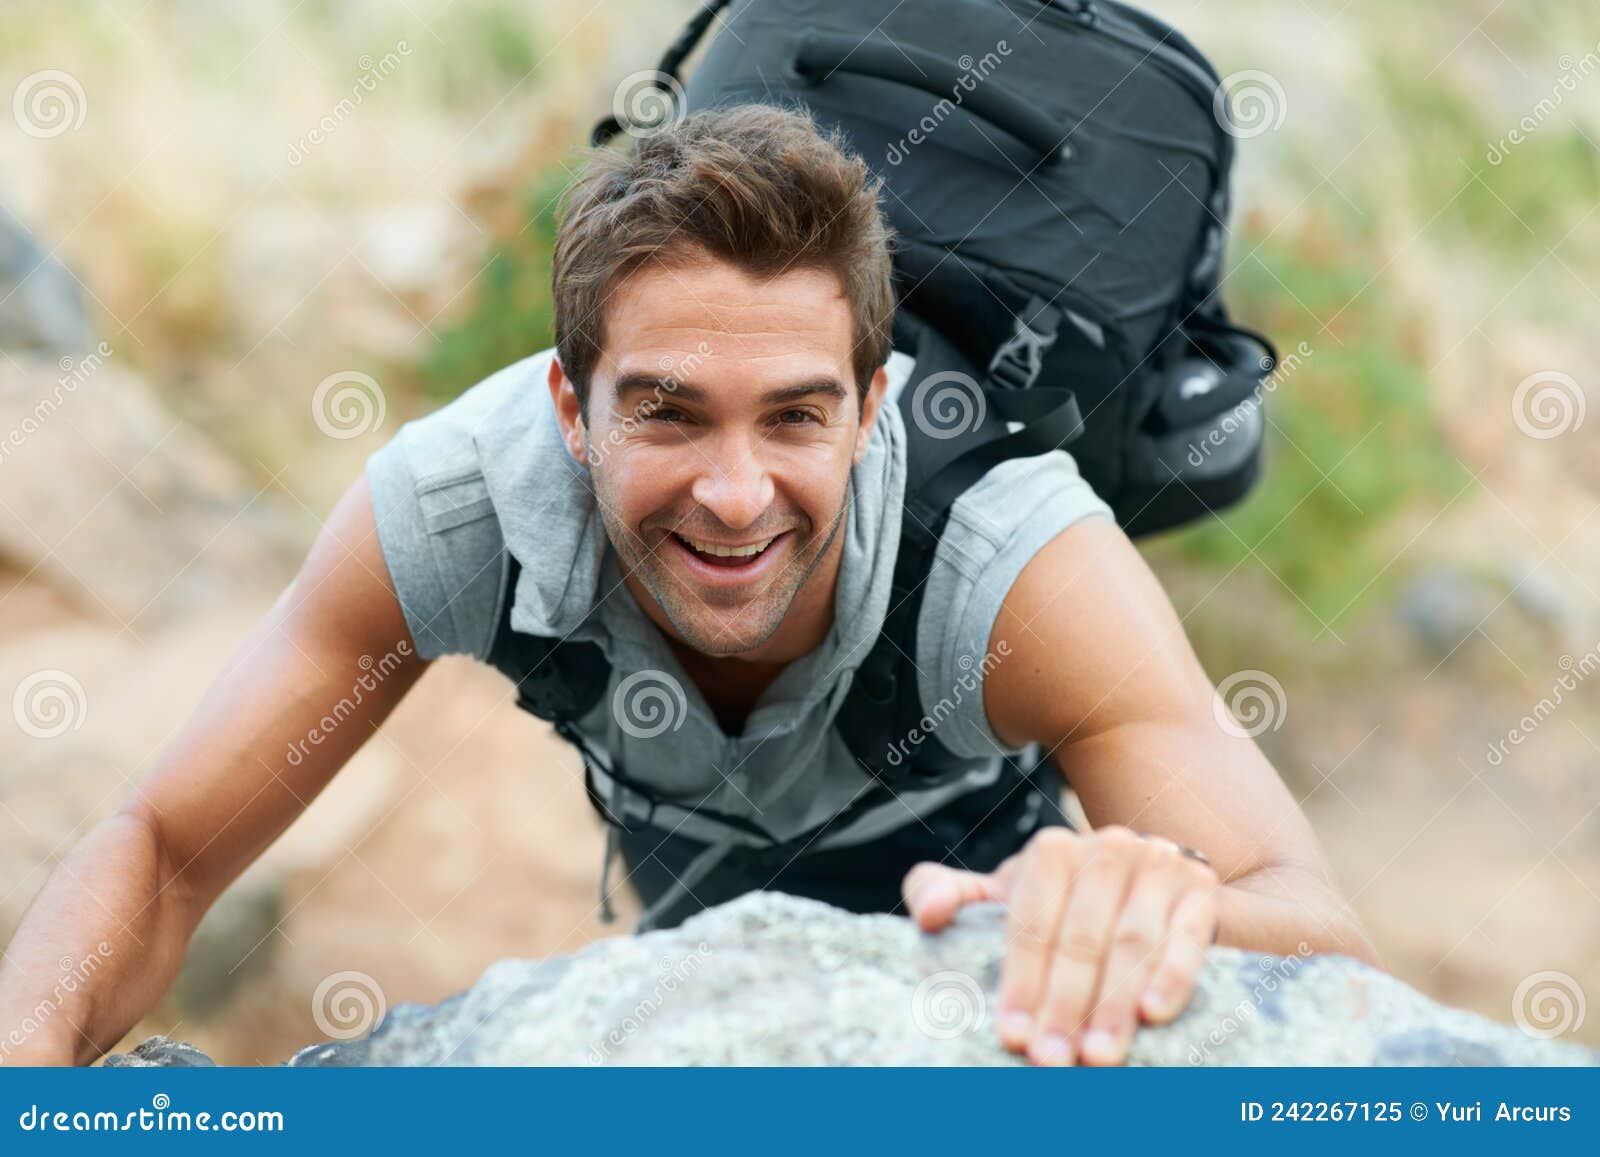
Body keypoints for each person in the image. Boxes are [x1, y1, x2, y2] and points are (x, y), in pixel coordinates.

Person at [0, 104, 1375, 1069]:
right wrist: (27, 1063)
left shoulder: (1015, 565)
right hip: (689, 963)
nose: (733, 493)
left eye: (794, 416)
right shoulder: (461, 508)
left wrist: (1155, 903)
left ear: (871, 410)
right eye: (667, 412)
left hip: (988, 980)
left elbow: (1320, 937)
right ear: (571, 407)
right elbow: (164, 849)